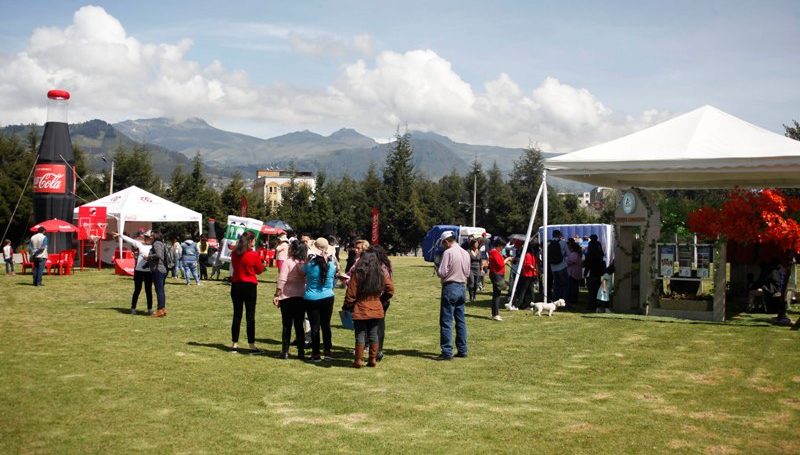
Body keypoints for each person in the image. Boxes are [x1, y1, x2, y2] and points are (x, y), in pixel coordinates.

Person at [343, 250, 394, 368]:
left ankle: (359, 360)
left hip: (360, 307)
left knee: (360, 334)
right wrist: (381, 301)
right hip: (376, 306)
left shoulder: (358, 273)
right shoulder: (380, 272)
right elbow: (390, 289)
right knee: (373, 334)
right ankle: (372, 359)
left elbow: (351, 293)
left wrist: (348, 306)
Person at [436, 230, 470, 360]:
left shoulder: (448, 252)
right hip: (462, 286)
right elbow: (467, 272)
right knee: (461, 320)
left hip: (450, 287)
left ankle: (446, 351)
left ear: (446, 241)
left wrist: (438, 270)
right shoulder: (465, 253)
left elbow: (443, 272)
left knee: (446, 321)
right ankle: (462, 349)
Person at [303, 238, 338, 361]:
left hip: (311, 297)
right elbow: (336, 272)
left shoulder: (310, 265)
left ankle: (316, 353)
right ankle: (328, 351)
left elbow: (302, 271)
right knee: (326, 325)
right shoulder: (331, 266)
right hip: (328, 296)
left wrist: (306, 261)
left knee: (314, 327)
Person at [230, 231, 265, 353]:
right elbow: (260, 270)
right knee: (250, 316)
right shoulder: (253, 254)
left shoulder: (234, 253)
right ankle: (251, 345)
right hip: (249, 286)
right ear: (251, 241)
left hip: (236, 285)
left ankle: (234, 344)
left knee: (237, 315)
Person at [274, 240, 308, 359]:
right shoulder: (305, 264)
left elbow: (282, 280)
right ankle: (301, 352)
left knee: (286, 325)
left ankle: (285, 351)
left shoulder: (287, 262)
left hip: (287, 297)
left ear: (293, 250)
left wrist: (277, 295)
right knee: (299, 325)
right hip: (301, 296)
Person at [114, 231, 154, 315]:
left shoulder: (154, 246)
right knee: (137, 290)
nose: (146, 239)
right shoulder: (140, 245)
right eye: (145, 237)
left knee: (148, 291)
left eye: (148, 237)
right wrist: (121, 235)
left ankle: (150, 309)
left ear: (152, 238)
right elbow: (131, 240)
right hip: (139, 271)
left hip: (149, 272)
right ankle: (133, 308)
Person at [372, 245, 393, 361]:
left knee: (376, 326)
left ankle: (377, 350)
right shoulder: (387, 265)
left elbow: (387, 285)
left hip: (380, 298)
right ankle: (378, 349)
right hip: (385, 299)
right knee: (380, 325)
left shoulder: (380, 267)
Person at [488, 236, 513, 320]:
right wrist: (508, 259)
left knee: (497, 294)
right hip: (496, 274)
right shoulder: (494, 252)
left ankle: (494, 313)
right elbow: (501, 264)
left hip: (497, 274)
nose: (502, 248)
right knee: (497, 294)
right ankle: (495, 314)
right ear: (498, 245)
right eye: (502, 246)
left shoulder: (496, 252)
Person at [147, 231, 168, 317]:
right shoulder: (161, 243)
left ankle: (160, 310)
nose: (150, 237)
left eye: (151, 235)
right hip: (161, 269)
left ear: (155, 236)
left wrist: (148, 257)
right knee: (161, 290)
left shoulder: (157, 243)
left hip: (158, 269)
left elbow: (159, 255)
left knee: (159, 290)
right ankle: (162, 309)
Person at [584, 235, 606, 312]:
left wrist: (585, 274)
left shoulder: (590, 254)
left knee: (591, 291)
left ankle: (591, 305)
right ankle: (598, 304)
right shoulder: (600, 253)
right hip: (599, 273)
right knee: (598, 290)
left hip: (592, 273)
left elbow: (587, 265)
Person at [514, 242, 539, 311]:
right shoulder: (532, 255)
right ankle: (530, 304)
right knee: (529, 290)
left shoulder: (527, 255)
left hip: (528, 274)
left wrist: (533, 268)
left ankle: (519, 305)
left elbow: (528, 264)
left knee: (524, 290)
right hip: (531, 274)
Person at [548, 230, 569, 302]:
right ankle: (563, 300)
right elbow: (568, 254)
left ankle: (555, 299)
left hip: (553, 267)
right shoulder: (563, 243)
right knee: (564, 284)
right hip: (562, 266)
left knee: (556, 284)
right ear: (559, 235)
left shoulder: (549, 243)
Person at [566, 241, 583, 306]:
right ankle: (574, 299)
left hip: (573, 272)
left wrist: (566, 261)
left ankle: (572, 299)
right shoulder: (577, 254)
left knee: (572, 287)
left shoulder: (574, 254)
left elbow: (571, 262)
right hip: (575, 272)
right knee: (574, 287)